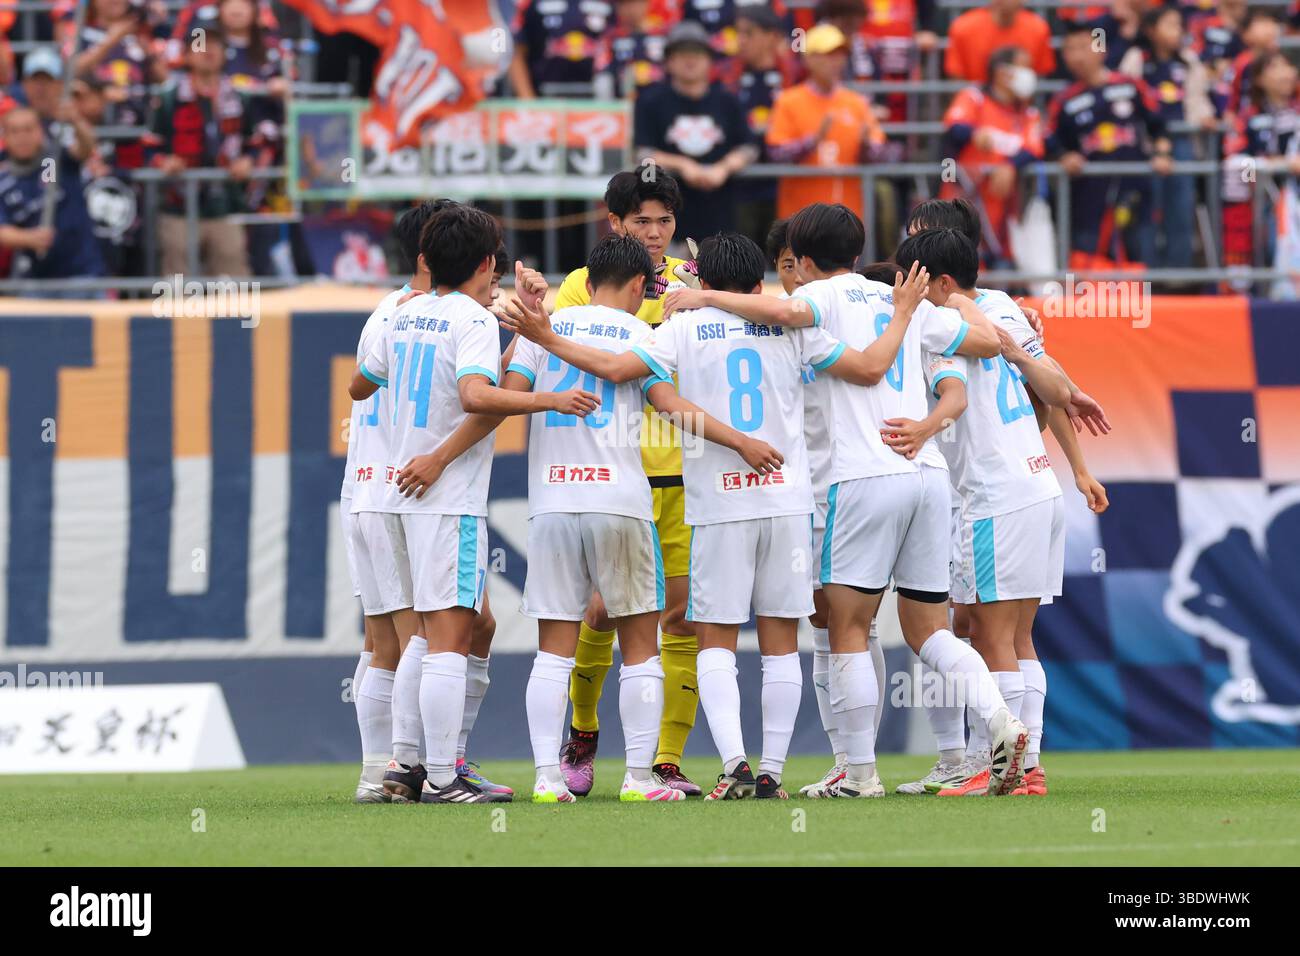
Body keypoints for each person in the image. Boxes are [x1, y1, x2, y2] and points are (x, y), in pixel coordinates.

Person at [659, 203, 1033, 798]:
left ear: (805, 263)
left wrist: (707, 298)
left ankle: (859, 772)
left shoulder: (822, 302)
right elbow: (991, 342)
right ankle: (1002, 723)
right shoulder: (894, 299)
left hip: (858, 479)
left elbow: (785, 311)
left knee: (847, 628)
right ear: (858, 253)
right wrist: (937, 308)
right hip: (927, 476)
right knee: (929, 630)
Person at [348, 205, 599, 804]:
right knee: (449, 635)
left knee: (421, 636)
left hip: (394, 490)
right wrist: (549, 400)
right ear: (487, 262)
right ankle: (441, 775)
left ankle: (401, 766)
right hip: (445, 495)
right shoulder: (472, 319)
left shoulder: (403, 313)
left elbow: (361, 383)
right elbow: (474, 395)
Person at [504, 234, 694, 803]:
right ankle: (639, 779)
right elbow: (669, 407)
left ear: (587, 282)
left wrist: (529, 334)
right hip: (621, 502)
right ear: (640, 285)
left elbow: (506, 394)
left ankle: (545, 779)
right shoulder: (643, 334)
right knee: (640, 645)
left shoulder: (548, 324)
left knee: (552, 649)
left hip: (553, 503)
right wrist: (738, 442)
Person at [893, 229, 1073, 797]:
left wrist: (922, 428)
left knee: (992, 637)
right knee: (1017, 639)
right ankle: (1029, 766)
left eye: (920, 282)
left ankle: (992, 767)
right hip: (1039, 484)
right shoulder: (1001, 316)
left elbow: (961, 395)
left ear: (941, 282)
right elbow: (1050, 397)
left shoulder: (947, 330)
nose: (912, 294)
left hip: (997, 496)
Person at [550, 170, 703, 797]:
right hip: (614, 471)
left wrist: (702, 301)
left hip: (684, 469)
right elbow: (574, 357)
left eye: (664, 220)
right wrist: (655, 319)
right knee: (603, 611)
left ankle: (665, 758)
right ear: (614, 223)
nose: (655, 232)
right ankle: (583, 730)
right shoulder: (579, 288)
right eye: (641, 220)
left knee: (684, 616)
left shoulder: (695, 282)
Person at [1048, 23, 1172, 267]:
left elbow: (1159, 125)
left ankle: (1140, 305)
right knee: (1087, 253)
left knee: (1137, 250)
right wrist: (1064, 156)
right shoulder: (1063, 100)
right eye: (1069, 50)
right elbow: (1050, 141)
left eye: (1082, 47)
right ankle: (1090, 305)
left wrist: (1162, 152)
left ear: (1100, 49)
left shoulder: (1130, 85)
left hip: (1134, 189)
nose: (1076, 56)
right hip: (1088, 195)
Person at [633, 19, 756, 241]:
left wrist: (723, 168)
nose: (690, 60)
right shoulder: (651, 101)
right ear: (669, 62)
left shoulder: (728, 101)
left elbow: (749, 148)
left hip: (722, 215)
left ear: (710, 61)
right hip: (666, 220)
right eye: (682, 54)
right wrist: (684, 165)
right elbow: (642, 152)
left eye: (697, 54)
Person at [149, 24, 257, 276]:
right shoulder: (168, 97)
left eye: (216, 45)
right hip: (179, 203)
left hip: (226, 202)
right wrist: (164, 163)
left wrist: (248, 161)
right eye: (200, 45)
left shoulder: (240, 96)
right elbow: (148, 148)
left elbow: (256, 143)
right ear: (186, 55)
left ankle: (233, 317)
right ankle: (180, 317)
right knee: (179, 277)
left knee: (233, 276)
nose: (208, 51)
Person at [1119, 5, 1216, 270]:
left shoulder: (1188, 60)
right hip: (1146, 144)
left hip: (1182, 142)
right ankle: (1146, 271)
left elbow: (1198, 98)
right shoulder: (1137, 58)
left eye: (1179, 25)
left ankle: (1179, 272)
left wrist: (1204, 117)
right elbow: (1125, 99)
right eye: (1170, 25)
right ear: (1151, 30)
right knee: (1147, 210)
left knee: (1181, 208)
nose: (1177, 31)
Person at [766, 24, 885, 223]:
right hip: (800, 222)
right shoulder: (788, 101)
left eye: (840, 55)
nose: (836, 62)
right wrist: (813, 141)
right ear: (809, 59)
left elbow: (880, 153)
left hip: (848, 221)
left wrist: (865, 146)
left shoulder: (857, 102)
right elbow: (776, 153)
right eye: (828, 55)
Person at [942, 45, 1045, 265]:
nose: (1030, 74)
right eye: (1023, 67)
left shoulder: (1028, 112)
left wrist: (1010, 165)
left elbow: (1034, 149)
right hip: (965, 202)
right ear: (1001, 71)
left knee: (1002, 271)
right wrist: (974, 133)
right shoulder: (974, 98)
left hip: (1006, 208)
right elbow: (954, 126)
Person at [0, 105, 103, 291]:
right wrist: (29, 238)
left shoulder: (57, 159)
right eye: (14, 131)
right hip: (36, 280)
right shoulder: (3, 179)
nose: (22, 137)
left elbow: (86, 148)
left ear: (40, 132)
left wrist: (76, 120)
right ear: (5, 137)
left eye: (28, 129)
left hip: (83, 273)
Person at [719, 5, 792, 247]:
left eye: (748, 33)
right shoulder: (726, 76)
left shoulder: (794, 74)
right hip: (740, 184)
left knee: (785, 256)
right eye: (738, 33)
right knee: (742, 256)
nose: (741, 40)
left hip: (785, 184)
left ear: (772, 36)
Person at [509, 0, 610, 98]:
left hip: (600, 99)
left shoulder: (607, 4)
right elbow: (516, 51)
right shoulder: (531, 3)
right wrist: (528, 101)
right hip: (543, 97)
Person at [944, 0, 1054, 84]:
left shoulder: (1038, 28)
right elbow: (956, 76)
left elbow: (1040, 73)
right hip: (976, 104)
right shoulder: (963, 28)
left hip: (1020, 103)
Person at [594, 0, 667, 100]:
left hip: (661, 98)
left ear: (646, 4)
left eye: (635, 3)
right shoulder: (610, 38)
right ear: (618, 8)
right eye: (625, 4)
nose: (631, 10)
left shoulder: (663, 34)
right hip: (622, 100)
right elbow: (602, 68)